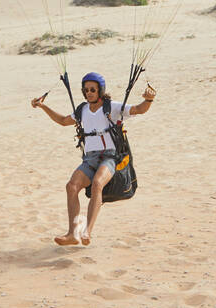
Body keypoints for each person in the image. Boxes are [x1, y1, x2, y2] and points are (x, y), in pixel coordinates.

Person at [31, 72, 156, 246]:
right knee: (71, 186)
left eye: (92, 89)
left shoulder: (111, 107)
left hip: (110, 156)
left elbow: (139, 109)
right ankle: (72, 233)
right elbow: (62, 120)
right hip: (90, 159)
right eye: (86, 90)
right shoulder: (82, 110)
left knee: (98, 183)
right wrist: (43, 106)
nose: (89, 92)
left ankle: (87, 231)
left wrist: (149, 100)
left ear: (100, 90)